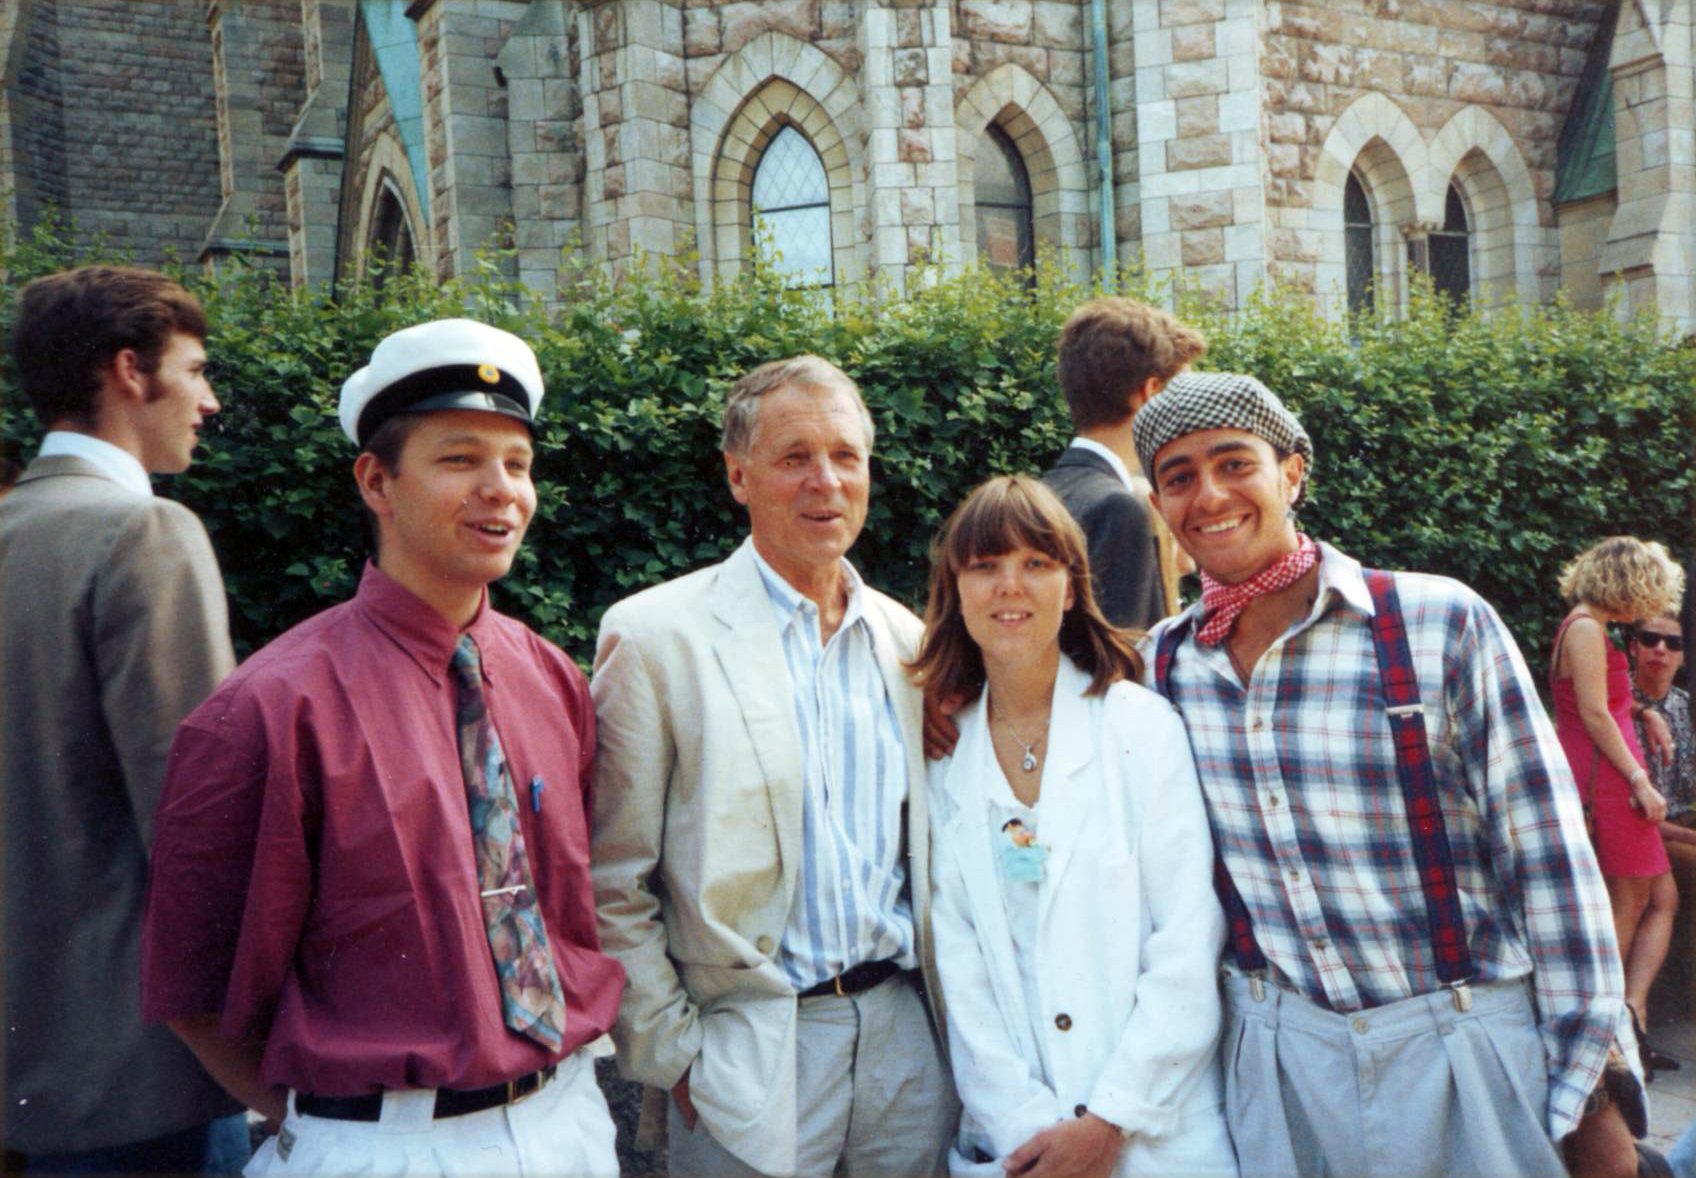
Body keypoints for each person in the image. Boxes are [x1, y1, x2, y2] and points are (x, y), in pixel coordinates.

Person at [140, 319, 624, 1176]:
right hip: (384, 1147)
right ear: (376, 480)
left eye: (517, 464)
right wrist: (340, 1128)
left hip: (570, 1124)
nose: (500, 490)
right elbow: (195, 992)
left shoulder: (552, 678)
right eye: (459, 459)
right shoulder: (272, 709)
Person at [1133, 371, 1645, 1178]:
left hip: (1466, 1041)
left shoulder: (1435, 621)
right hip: (1278, 1064)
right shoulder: (1160, 666)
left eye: (1235, 463)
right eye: (1179, 476)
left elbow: (1549, 862)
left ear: (1292, 472)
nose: (1209, 495)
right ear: (1158, 502)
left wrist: (1594, 1092)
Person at [590, 354, 957, 1178]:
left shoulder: (910, 643)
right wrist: (676, 1057)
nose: (824, 481)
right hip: (751, 1051)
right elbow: (612, 877)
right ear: (738, 475)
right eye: (794, 457)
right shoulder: (657, 639)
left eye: (845, 457)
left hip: (904, 1042)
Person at [909, 475, 1237, 1178]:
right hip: (1017, 1147)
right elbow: (958, 966)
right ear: (955, 587)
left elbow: (1186, 943)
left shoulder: (1140, 729)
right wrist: (1028, 1128)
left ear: (1071, 583)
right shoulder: (942, 751)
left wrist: (1108, 1120)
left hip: (1155, 1134)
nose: (1009, 587)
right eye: (985, 566)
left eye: (1036, 564)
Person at [1, 266, 248, 1173]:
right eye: (194, 370)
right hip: (146, 1084)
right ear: (128, 372)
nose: (209, 400)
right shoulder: (146, 534)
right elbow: (199, 830)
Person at [1551, 538, 1685, 1075]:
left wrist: (1647, 715)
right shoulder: (1585, 628)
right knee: (1623, 901)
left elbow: (1612, 703)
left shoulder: (1591, 626)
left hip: (1612, 777)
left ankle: (1621, 1020)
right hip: (1606, 781)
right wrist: (1640, 781)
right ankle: (1605, 1029)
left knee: (1639, 895)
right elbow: (1592, 713)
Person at [1041, 297, 1204, 629]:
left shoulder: (1040, 494)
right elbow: (1128, 662)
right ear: (1151, 392)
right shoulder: (1120, 509)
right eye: (1181, 393)